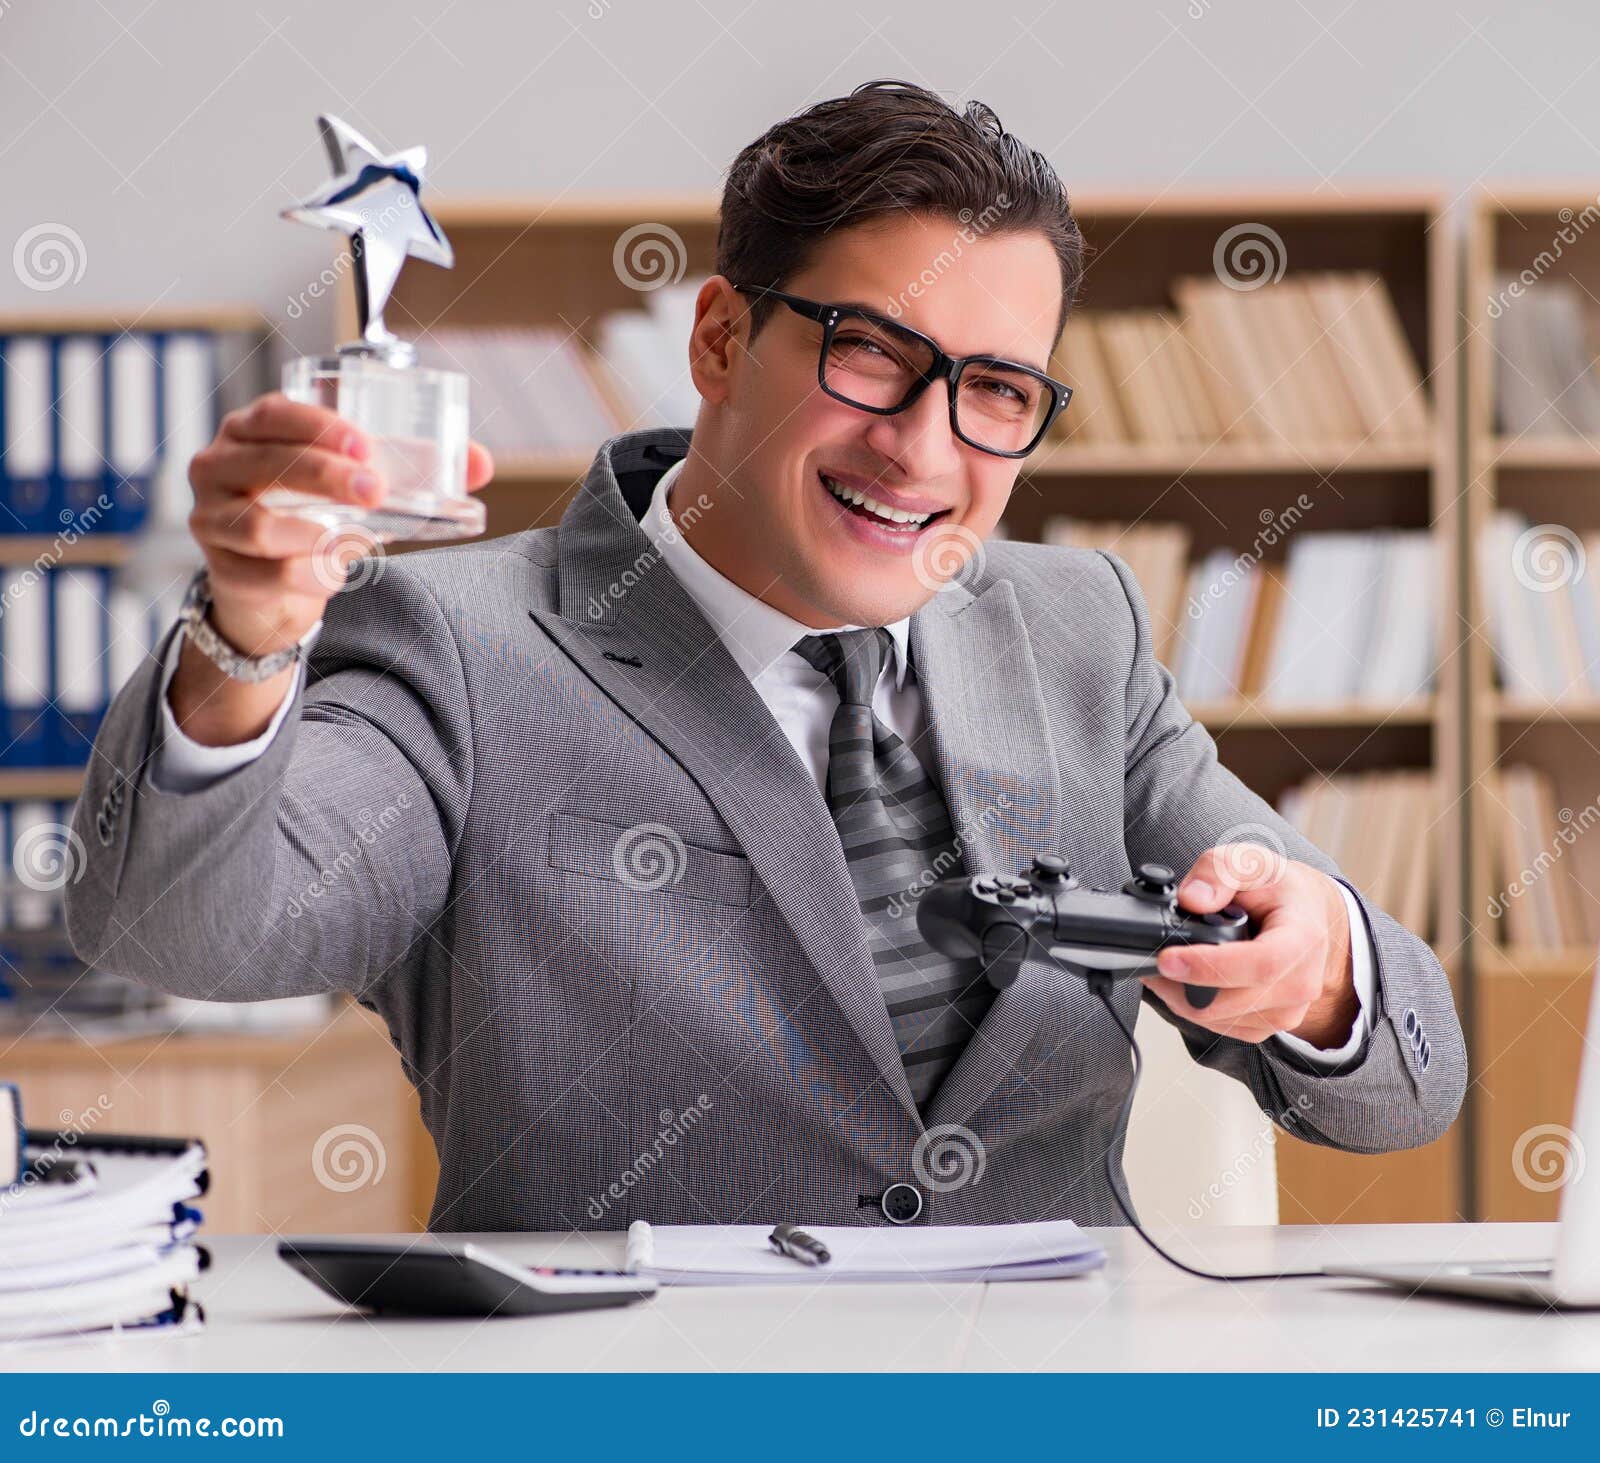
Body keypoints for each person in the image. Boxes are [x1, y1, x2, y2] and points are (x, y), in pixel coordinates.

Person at [65, 79, 1463, 1231]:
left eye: (994, 390)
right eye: (871, 354)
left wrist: (1318, 970)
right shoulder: (461, 643)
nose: (921, 451)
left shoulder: (1076, 629)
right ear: (722, 339)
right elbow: (181, 930)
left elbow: (1409, 1084)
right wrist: (244, 639)